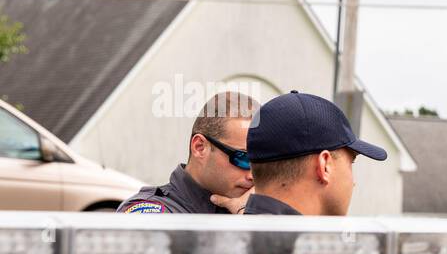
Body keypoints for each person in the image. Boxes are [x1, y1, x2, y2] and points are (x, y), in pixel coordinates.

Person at [243, 90, 387, 215]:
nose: (353, 183)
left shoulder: (229, 236)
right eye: (351, 162)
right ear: (325, 165)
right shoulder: (298, 245)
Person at [118, 91, 258, 213]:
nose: (253, 175)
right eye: (243, 158)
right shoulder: (149, 213)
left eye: (261, 161)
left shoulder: (262, 209)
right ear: (200, 147)